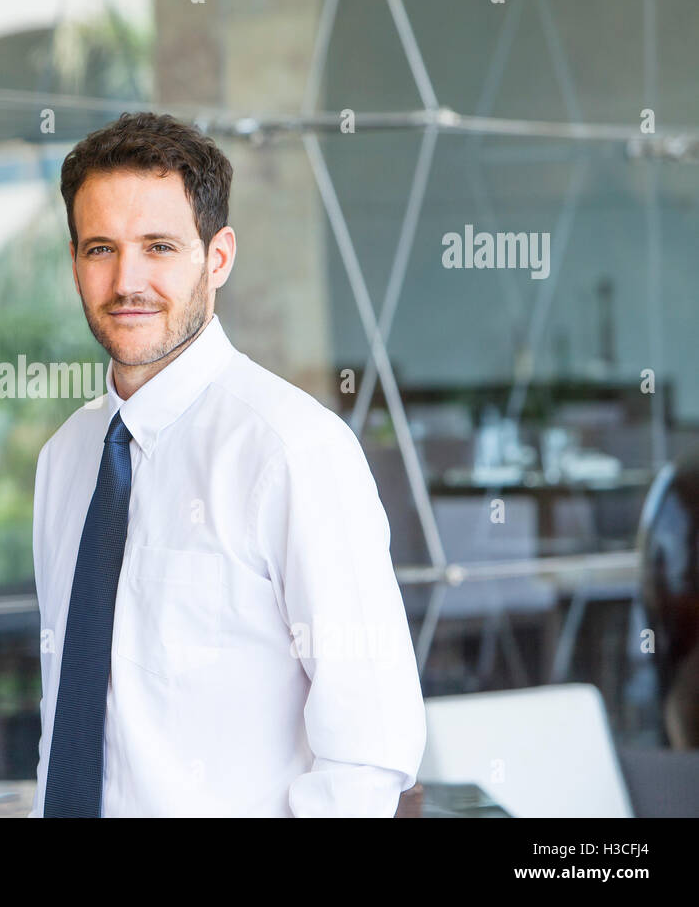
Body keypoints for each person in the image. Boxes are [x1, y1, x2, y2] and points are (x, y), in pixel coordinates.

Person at [31, 112, 426, 816]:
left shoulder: (294, 452)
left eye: (159, 246)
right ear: (74, 261)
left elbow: (366, 751)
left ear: (217, 257)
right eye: (101, 249)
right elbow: (70, 707)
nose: (128, 280)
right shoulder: (65, 461)